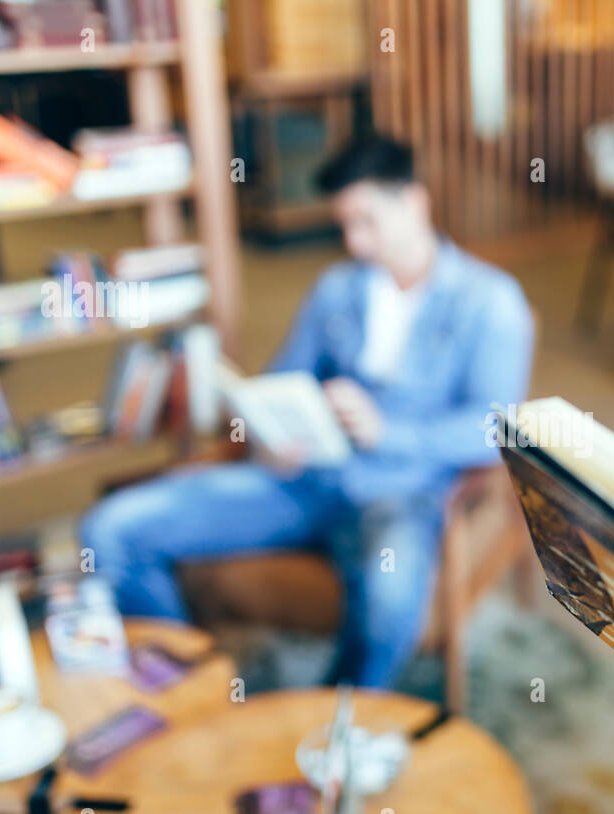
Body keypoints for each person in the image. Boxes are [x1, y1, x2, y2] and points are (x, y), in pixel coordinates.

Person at [80, 135, 534, 688]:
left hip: (399, 493)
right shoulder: (337, 289)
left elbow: (495, 431)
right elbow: (283, 377)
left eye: (366, 221)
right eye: (344, 224)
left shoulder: (489, 301)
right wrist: (270, 427)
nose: (354, 241)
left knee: (391, 600)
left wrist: (387, 430)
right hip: (303, 476)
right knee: (111, 530)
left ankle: (336, 725)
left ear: (415, 201)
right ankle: (190, 691)